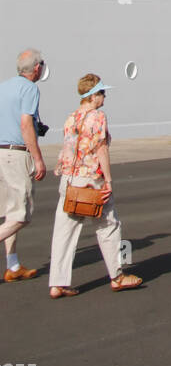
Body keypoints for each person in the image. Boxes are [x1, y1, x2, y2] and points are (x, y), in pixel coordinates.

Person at [47, 75, 142, 297]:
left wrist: (63, 168)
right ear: (92, 95)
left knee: (64, 232)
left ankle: (57, 283)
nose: (104, 97)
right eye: (102, 93)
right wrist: (108, 179)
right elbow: (101, 149)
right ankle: (117, 276)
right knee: (109, 225)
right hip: (91, 181)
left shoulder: (71, 118)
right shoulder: (98, 117)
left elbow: (68, 147)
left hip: (69, 180)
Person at [0, 49, 47, 280]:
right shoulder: (30, 89)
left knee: (7, 213)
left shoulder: (3, 86)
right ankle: (12, 266)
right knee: (21, 215)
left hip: (0, 153)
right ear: (37, 67)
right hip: (16, 154)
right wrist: (37, 158)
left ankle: (13, 265)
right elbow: (26, 124)